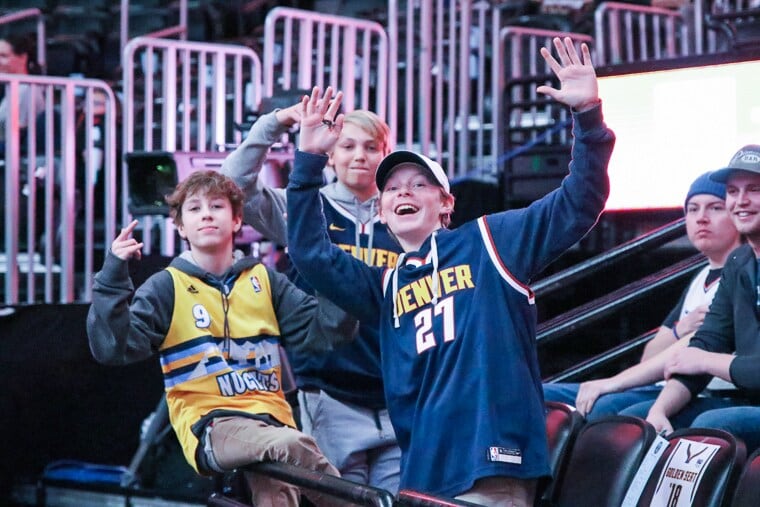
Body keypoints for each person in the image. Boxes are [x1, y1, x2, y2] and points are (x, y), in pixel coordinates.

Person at [286, 37, 615, 505]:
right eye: (394, 186)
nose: (406, 191)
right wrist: (308, 164)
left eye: (421, 184)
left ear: (445, 204)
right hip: (422, 467)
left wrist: (588, 116)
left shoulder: (490, 240)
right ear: (380, 210)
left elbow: (580, 200)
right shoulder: (387, 280)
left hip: (490, 461)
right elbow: (311, 253)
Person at [86, 170, 355, 507]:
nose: (207, 214)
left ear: (238, 219)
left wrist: (324, 262)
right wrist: (112, 274)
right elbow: (113, 348)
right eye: (195, 209)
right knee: (290, 446)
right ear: (181, 226)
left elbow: (326, 332)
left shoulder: (263, 279)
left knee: (279, 490)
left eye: (217, 206)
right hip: (211, 425)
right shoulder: (166, 286)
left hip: (273, 419)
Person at [221, 105, 403, 491]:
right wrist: (273, 124)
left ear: (386, 155)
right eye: (347, 145)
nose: (359, 155)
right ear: (330, 153)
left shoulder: (405, 215)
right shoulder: (302, 207)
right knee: (340, 498)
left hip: (396, 393)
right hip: (330, 393)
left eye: (371, 147)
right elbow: (231, 186)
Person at [543, 171, 741, 419]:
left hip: (708, 393)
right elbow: (649, 356)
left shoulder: (742, 273)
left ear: (736, 214)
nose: (701, 218)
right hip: (661, 386)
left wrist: (612, 382)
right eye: (692, 209)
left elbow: (690, 350)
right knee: (539, 394)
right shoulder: (701, 277)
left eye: (715, 208)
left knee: (602, 409)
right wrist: (681, 328)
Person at [635, 144, 760, 453]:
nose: (740, 201)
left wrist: (703, 359)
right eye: (732, 191)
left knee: (716, 423)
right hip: (751, 401)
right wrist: (660, 410)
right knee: (634, 421)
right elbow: (708, 341)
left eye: (754, 190)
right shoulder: (739, 263)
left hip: (743, 403)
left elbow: (702, 357)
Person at [0, 34, 44, 148]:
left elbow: (16, 134)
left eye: (3, 56)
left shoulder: (27, 89)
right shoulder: (12, 88)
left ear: (23, 57)